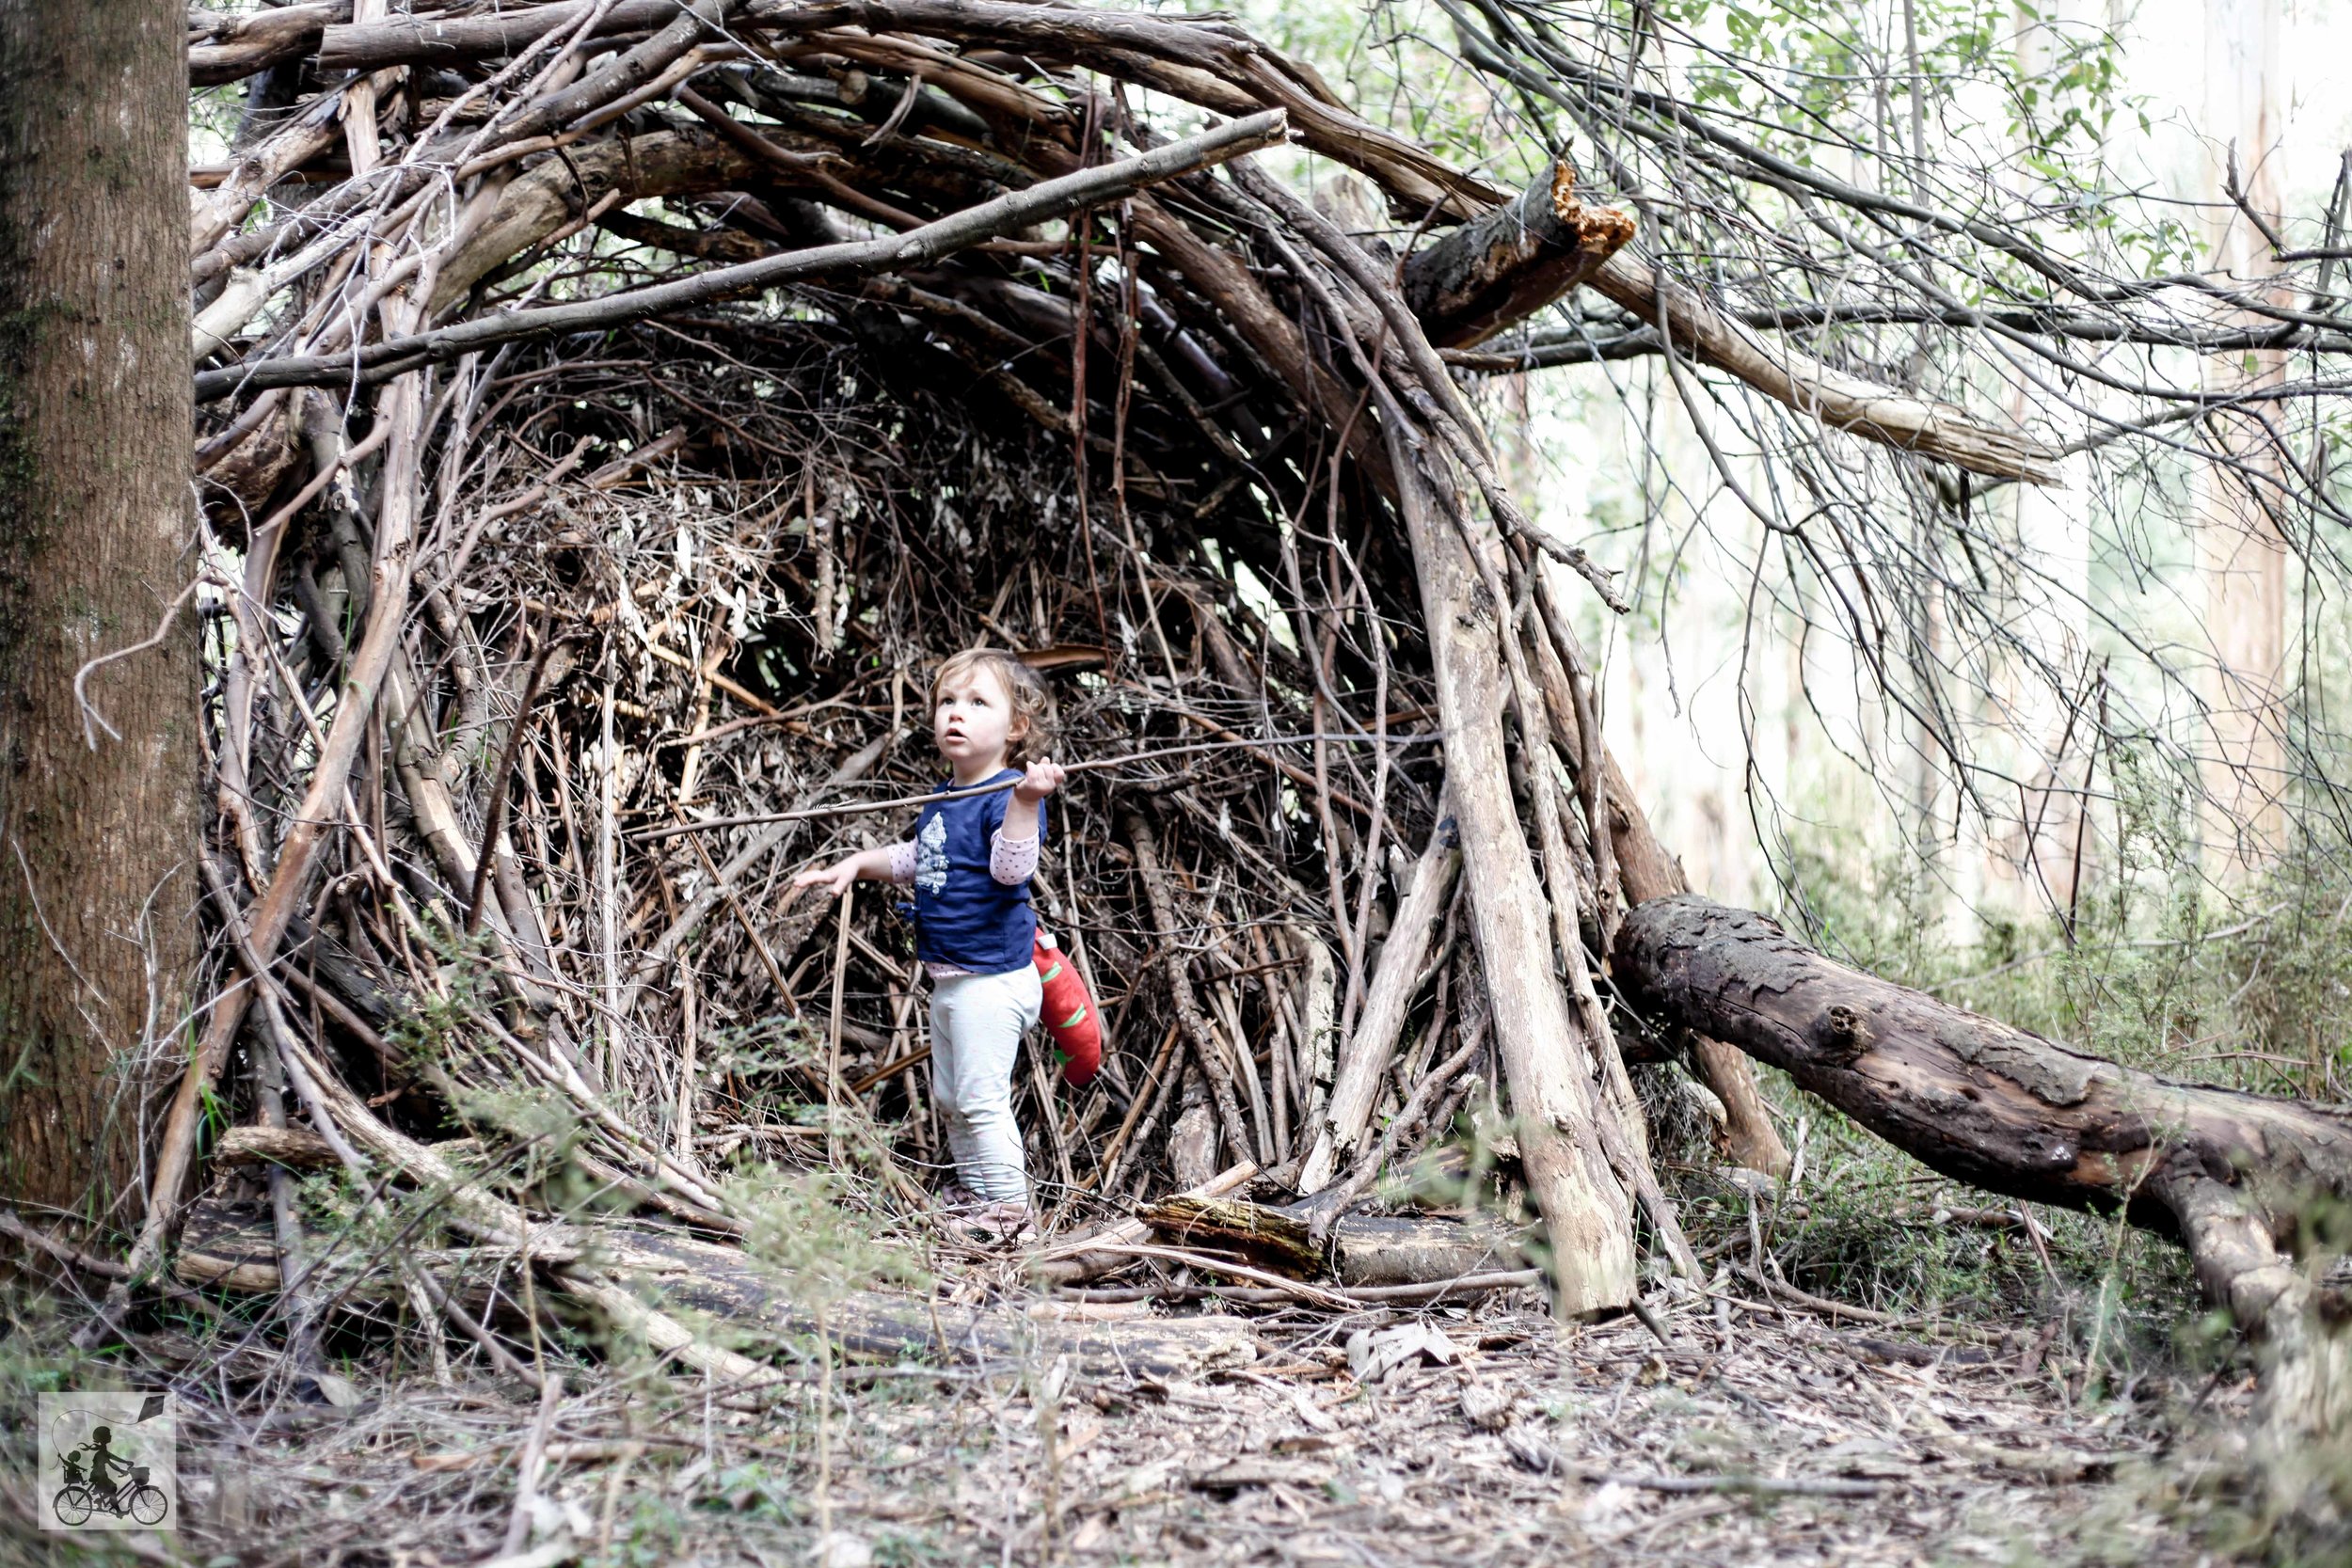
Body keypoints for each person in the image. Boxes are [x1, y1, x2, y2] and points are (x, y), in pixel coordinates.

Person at [795, 649, 1064, 1241]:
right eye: (947, 702)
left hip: (991, 981)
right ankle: (975, 1195)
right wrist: (857, 865)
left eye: (976, 703)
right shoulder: (947, 796)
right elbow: (924, 858)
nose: (956, 715)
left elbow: (1011, 870)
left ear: (1015, 727)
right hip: (952, 978)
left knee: (979, 1099)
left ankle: (1011, 1214)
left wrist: (1026, 803)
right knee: (952, 1096)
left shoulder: (1008, 795)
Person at [79, 1426, 127, 1508]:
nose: (111, 1436)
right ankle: (102, 1502)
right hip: (99, 1476)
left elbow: (112, 1456)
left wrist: (125, 1462)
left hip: (101, 1474)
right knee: (112, 1489)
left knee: (113, 1489)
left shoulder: (103, 1449)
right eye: (109, 1434)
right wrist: (121, 1470)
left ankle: (101, 1501)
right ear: (103, 1437)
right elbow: (111, 1463)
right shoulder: (102, 1452)